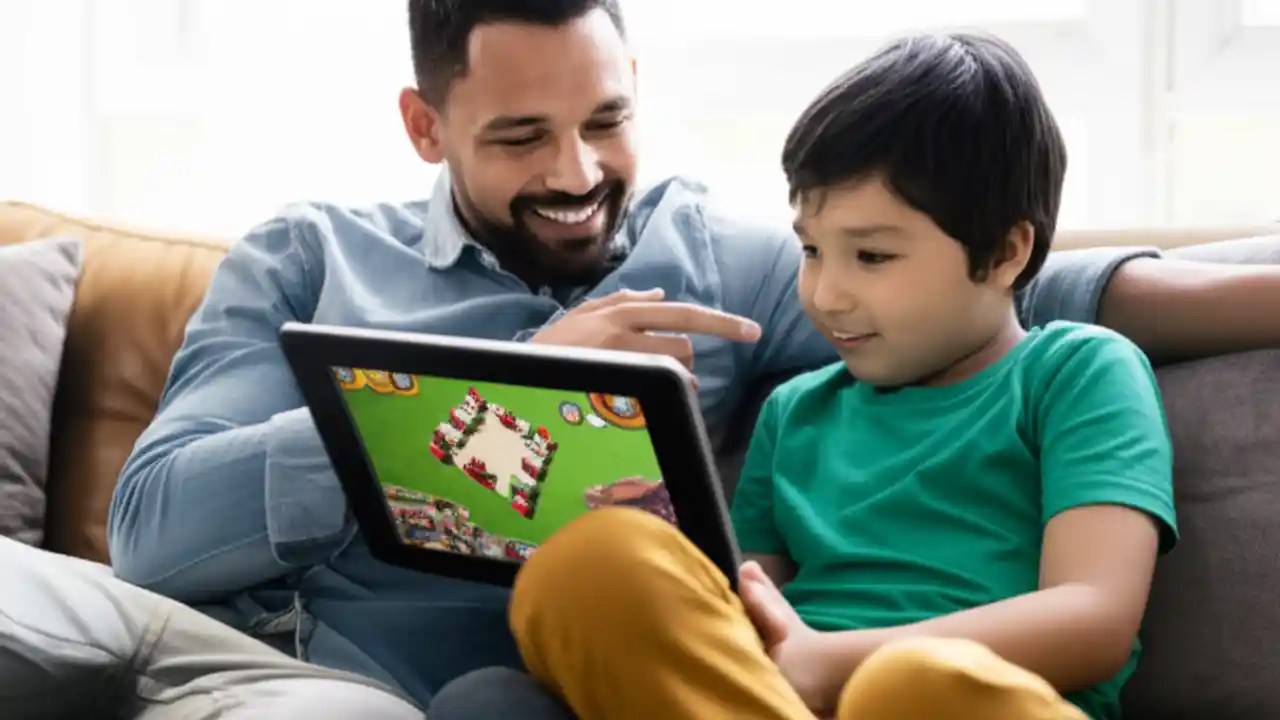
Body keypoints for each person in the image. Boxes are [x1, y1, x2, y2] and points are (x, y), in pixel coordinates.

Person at [1, 2, 1276, 718]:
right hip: (264, 648)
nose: (573, 174)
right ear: (423, 125)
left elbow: (1003, 288)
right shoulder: (306, 255)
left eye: (604, 121)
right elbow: (154, 531)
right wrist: (497, 388)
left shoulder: (711, 259)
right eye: (518, 137)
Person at [464, 30, 1176, 720]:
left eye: (871, 257)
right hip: (788, 704)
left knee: (913, 688)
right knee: (589, 563)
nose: (825, 294)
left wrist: (834, 662)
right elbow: (748, 618)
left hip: (964, 701)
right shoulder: (795, 411)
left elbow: (1095, 617)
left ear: (1005, 252)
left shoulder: (1078, 371)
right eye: (810, 249)